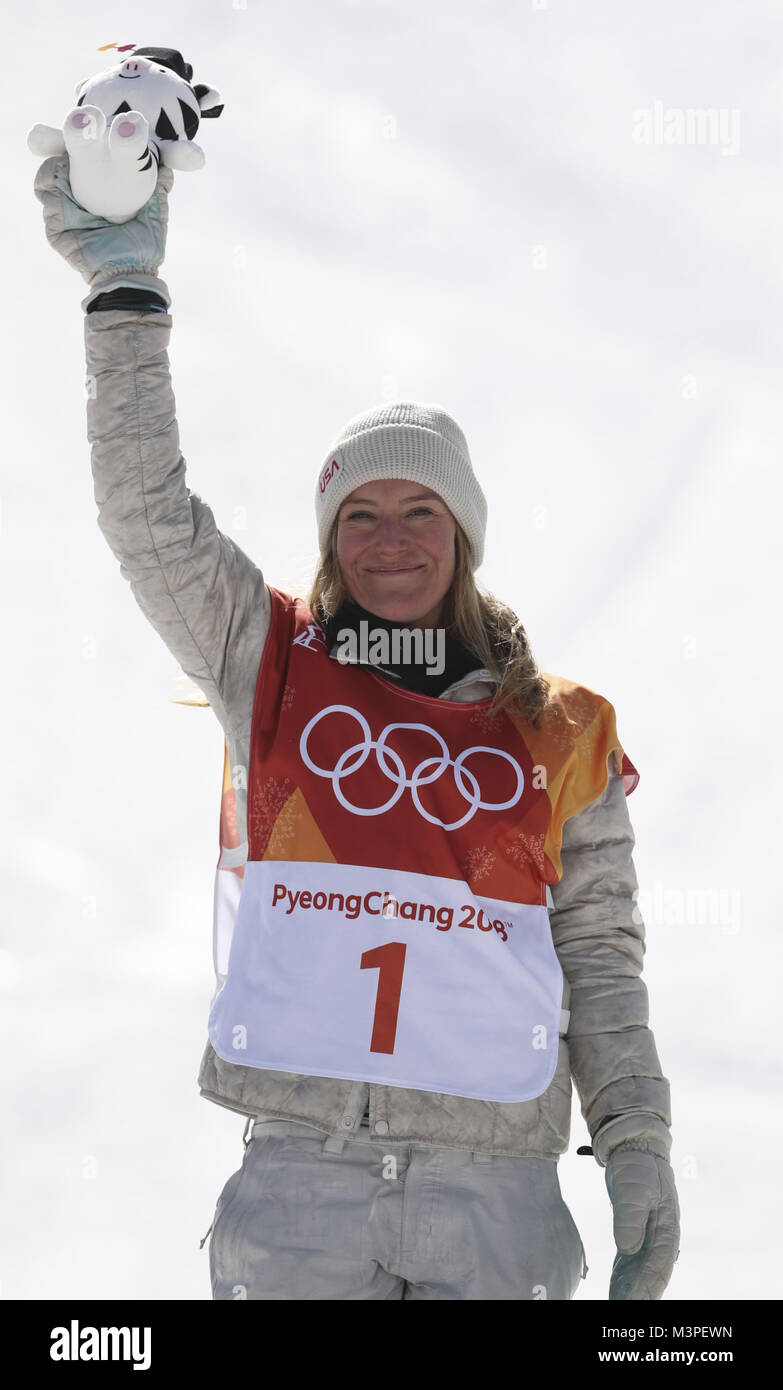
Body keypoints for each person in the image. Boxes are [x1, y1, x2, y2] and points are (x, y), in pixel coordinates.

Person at [33, 154, 680, 1302]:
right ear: (330, 544)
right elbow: (147, 519)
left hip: (496, 1205)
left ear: (462, 534)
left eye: (419, 509)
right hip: (301, 1195)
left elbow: (600, 963)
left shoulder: (564, 731)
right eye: (360, 515)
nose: (389, 538)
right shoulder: (272, 663)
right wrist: (123, 299)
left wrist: (635, 1146)